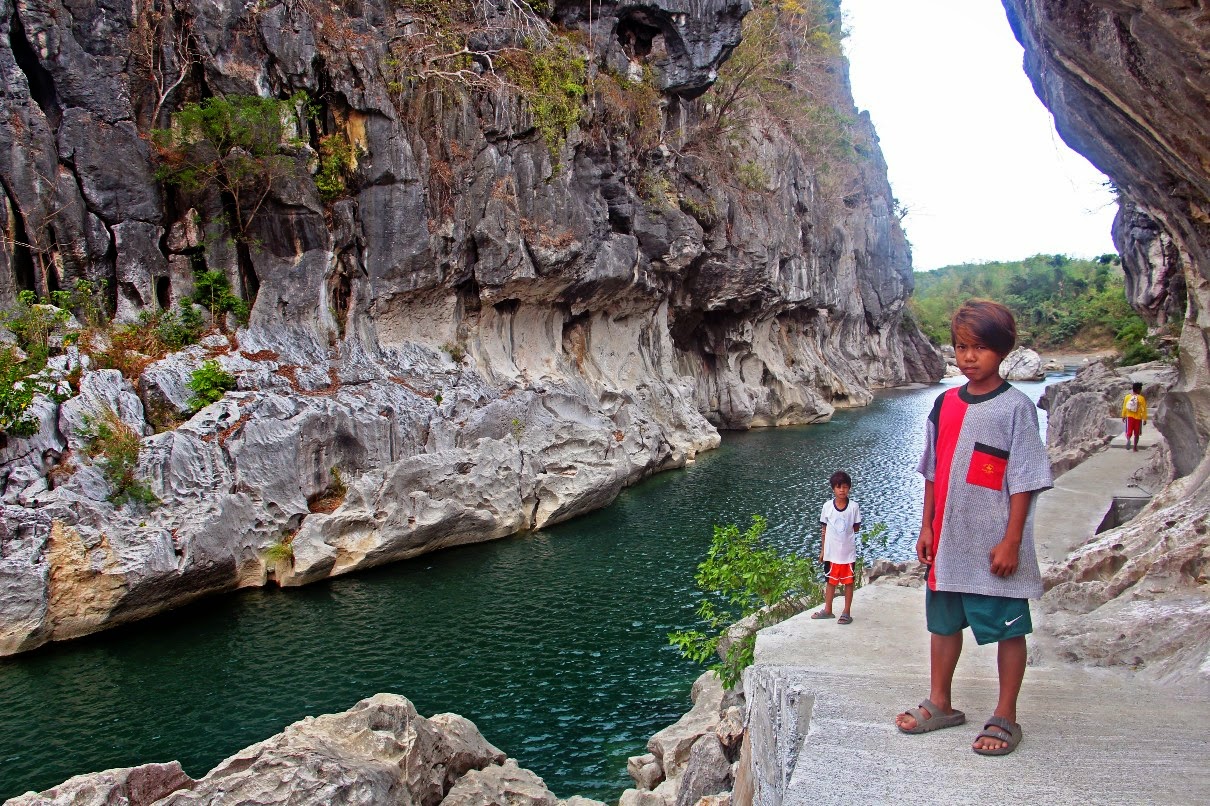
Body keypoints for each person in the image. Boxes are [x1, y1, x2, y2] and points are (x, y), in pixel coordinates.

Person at [895, 299, 1053, 757]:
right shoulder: (943, 404)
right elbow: (931, 469)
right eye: (962, 346)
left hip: (992, 544)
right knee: (942, 624)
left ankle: (1006, 712)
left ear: (1002, 351)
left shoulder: (1015, 409)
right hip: (947, 540)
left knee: (1007, 627)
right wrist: (926, 526)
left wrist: (1012, 541)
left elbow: (1024, 480)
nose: (968, 357)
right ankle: (941, 700)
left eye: (980, 348)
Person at [810, 470, 862, 625]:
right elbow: (824, 529)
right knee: (830, 581)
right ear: (833, 488)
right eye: (838, 487)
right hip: (831, 553)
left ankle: (846, 612)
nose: (842, 490)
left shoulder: (853, 507)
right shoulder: (827, 507)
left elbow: (856, 527)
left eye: (845, 487)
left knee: (848, 582)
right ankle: (828, 609)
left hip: (847, 553)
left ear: (849, 488)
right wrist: (823, 550)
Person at [1121, 381, 1147, 452]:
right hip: (1138, 418)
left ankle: (1128, 439)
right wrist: (1144, 419)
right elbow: (1144, 409)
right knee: (1137, 433)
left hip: (1129, 417)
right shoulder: (1141, 398)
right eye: (1140, 389)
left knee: (1129, 431)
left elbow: (1124, 407)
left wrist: (1123, 416)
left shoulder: (1127, 397)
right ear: (1138, 390)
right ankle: (1135, 447)